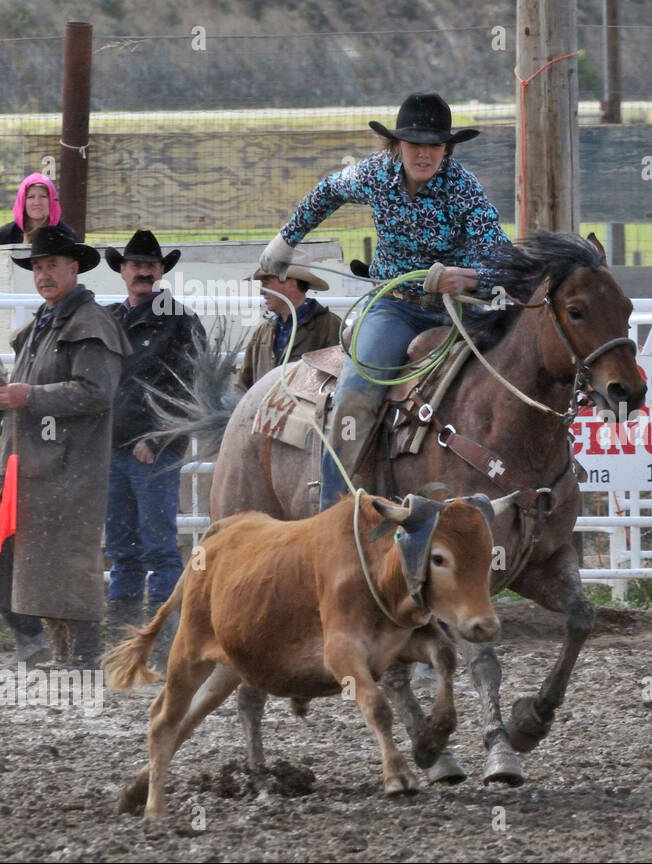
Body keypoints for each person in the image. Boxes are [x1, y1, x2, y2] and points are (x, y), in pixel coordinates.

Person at [257, 91, 508, 509]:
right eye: (414, 143)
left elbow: (502, 258)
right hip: (395, 306)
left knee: (502, 381)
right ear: (396, 145)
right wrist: (286, 240)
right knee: (356, 390)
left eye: (434, 144)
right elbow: (327, 191)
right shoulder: (375, 174)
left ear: (446, 148)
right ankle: (333, 505)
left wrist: (470, 278)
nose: (424, 153)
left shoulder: (463, 189)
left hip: (457, 312)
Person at [0, 227, 131, 668]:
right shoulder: (48, 321)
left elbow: (97, 392)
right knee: (45, 561)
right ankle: (64, 653)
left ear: (74, 268)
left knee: (72, 558)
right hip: (42, 463)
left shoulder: (89, 322)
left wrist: (29, 396)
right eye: (38, 267)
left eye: (52, 265)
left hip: (72, 466)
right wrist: (13, 395)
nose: (43, 274)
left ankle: (85, 656)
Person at [103, 230, 206, 640]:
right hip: (115, 448)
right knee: (122, 548)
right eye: (136, 265)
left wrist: (159, 438)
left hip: (153, 451)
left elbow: (193, 387)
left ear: (161, 271)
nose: (142, 272)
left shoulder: (181, 322)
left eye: (149, 265)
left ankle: (163, 642)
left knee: (157, 547)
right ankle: (127, 640)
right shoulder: (110, 319)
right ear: (123, 271)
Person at [237, 251, 343, 390]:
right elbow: (244, 383)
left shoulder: (330, 327)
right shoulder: (263, 332)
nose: (262, 291)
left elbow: (341, 380)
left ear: (290, 284)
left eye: (266, 282)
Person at [0, 173, 79, 244]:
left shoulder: (67, 236)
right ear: (22, 201)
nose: (37, 202)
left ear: (52, 201)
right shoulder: (5, 235)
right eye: (31, 197)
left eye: (43, 196)